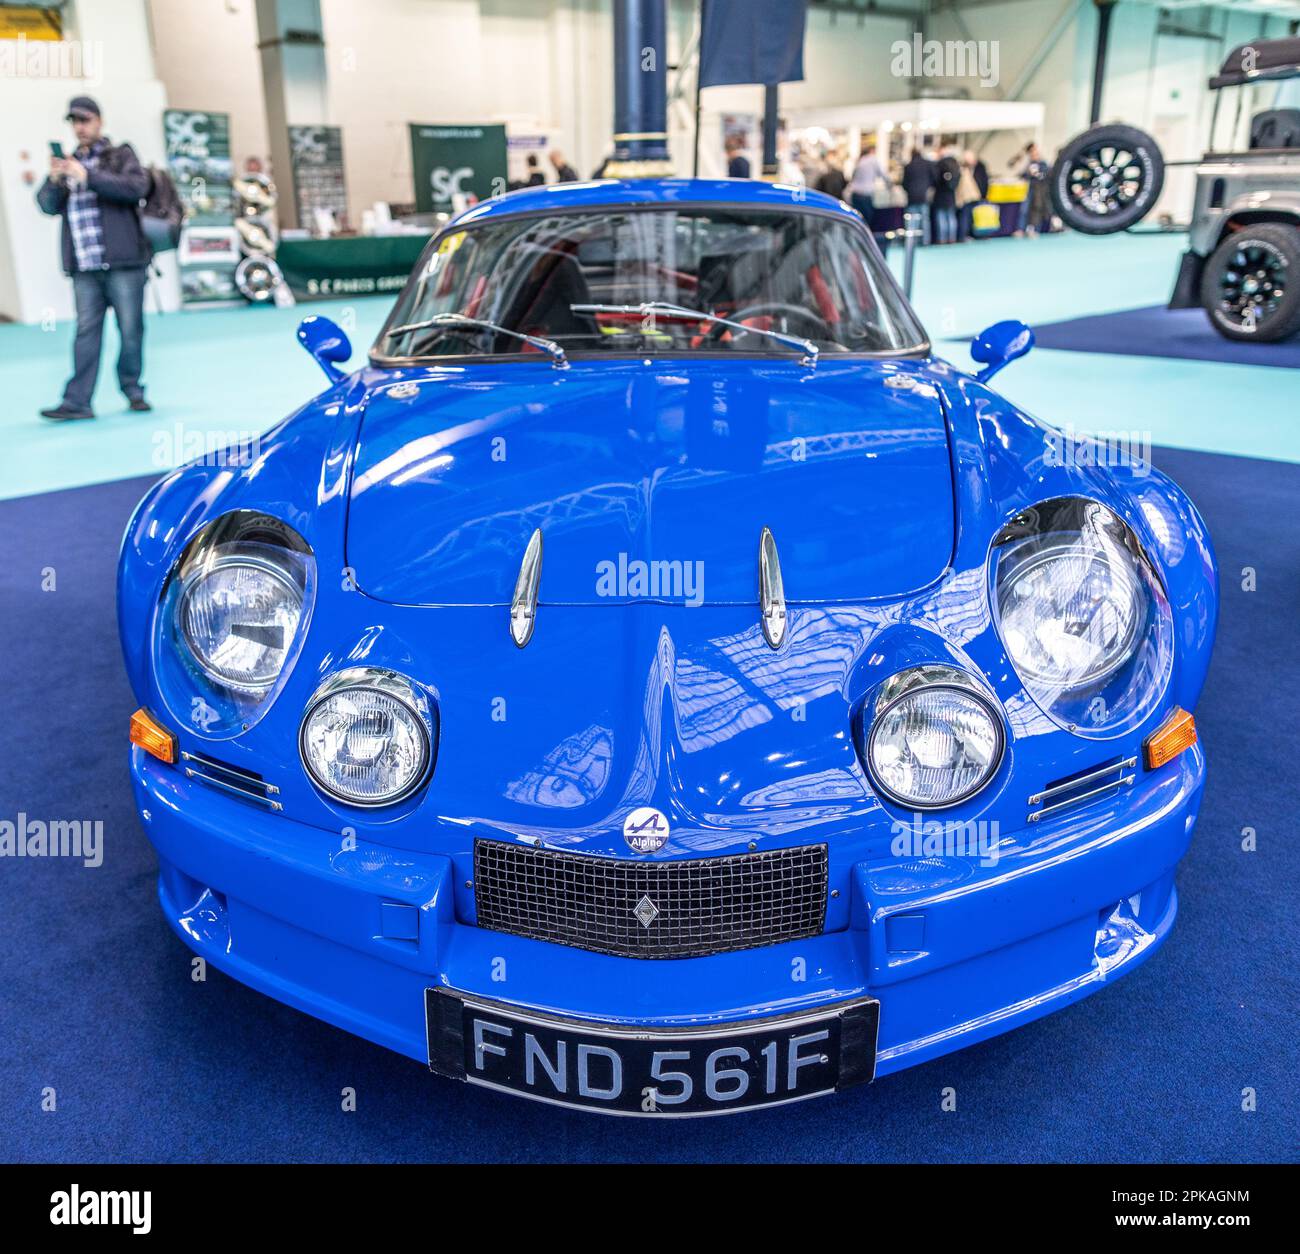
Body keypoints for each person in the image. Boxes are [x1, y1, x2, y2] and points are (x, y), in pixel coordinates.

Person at [36, 95, 153, 421]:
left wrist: (87, 176)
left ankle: (133, 390)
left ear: (99, 121)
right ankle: (77, 402)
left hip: (124, 263)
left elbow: (136, 188)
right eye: (75, 121)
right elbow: (46, 205)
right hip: (84, 267)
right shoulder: (68, 163)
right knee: (86, 332)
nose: (80, 127)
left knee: (130, 329)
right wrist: (55, 179)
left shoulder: (121, 155)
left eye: (85, 120)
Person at [848, 143, 887, 230]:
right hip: (865, 195)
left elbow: (852, 177)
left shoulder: (860, 160)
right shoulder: (873, 160)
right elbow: (883, 175)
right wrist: (890, 185)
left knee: (857, 220)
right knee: (867, 221)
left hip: (855, 195)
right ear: (872, 151)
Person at [901, 147, 935, 244]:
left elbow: (904, 183)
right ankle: (925, 241)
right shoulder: (927, 164)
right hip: (924, 195)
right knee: (925, 220)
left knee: (911, 220)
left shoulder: (908, 166)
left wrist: (908, 190)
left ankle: (911, 241)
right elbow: (933, 178)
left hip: (912, 196)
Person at [931, 145, 961, 245]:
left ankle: (942, 239)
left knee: (941, 217)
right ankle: (952, 238)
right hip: (951, 195)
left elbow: (935, 180)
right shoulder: (955, 164)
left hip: (940, 195)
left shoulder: (940, 165)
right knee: (951, 217)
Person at [956, 151, 983, 242]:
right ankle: (963, 236)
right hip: (967, 198)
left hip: (970, 197)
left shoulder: (967, 170)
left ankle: (965, 235)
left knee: (966, 217)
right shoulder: (964, 171)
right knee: (965, 218)